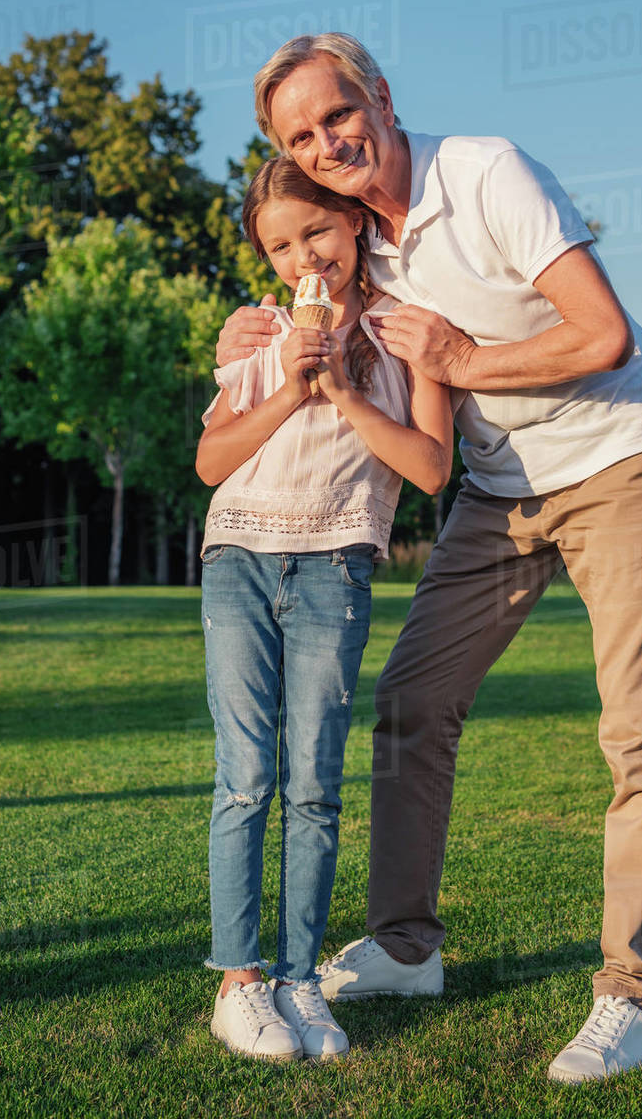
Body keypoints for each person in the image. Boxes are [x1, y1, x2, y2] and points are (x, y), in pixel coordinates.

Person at [215, 33, 642, 1085]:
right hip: (498, 488)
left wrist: (468, 360)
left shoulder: (485, 171)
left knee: (638, 733)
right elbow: (317, 317)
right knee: (411, 705)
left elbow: (604, 333)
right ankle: (403, 946)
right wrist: (249, 343)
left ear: (379, 96)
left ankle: (635, 994)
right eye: (302, 134)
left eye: (339, 114)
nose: (329, 140)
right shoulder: (353, 242)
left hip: (619, 460)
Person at [195, 154, 453, 1062]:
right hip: (238, 560)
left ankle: (301, 984)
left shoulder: (405, 333)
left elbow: (428, 468)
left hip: (335, 566)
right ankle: (241, 983)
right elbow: (212, 461)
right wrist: (289, 384)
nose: (303, 253)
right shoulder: (259, 333)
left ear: (352, 225)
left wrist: (339, 388)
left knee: (313, 785)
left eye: (316, 231)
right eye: (278, 244)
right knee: (244, 779)